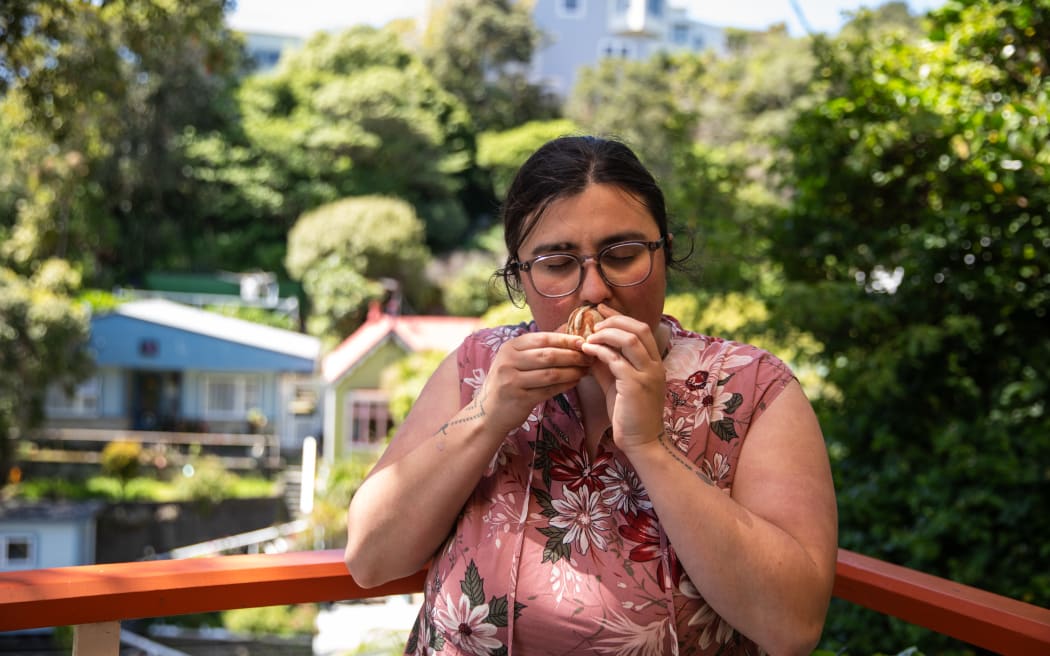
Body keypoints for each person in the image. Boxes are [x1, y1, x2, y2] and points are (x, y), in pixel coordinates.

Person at [345, 136, 838, 655]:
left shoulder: (751, 388)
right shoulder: (479, 366)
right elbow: (370, 558)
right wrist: (487, 417)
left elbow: (793, 624)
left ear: (665, 252)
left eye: (621, 256)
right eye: (557, 265)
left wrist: (649, 446)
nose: (594, 290)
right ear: (520, 278)